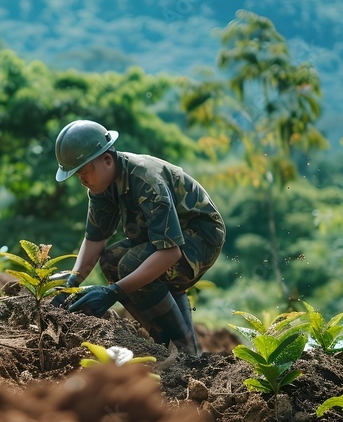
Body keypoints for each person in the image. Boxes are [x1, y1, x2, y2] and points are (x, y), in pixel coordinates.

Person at [54, 119, 225, 354]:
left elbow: (170, 252)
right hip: (161, 241)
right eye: (78, 176)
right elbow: (95, 239)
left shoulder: (147, 179)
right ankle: (167, 344)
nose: (82, 180)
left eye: (84, 172)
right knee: (111, 262)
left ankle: (183, 351)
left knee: (130, 266)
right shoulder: (100, 186)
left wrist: (113, 292)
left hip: (200, 238)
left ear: (107, 160)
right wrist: (71, 284)